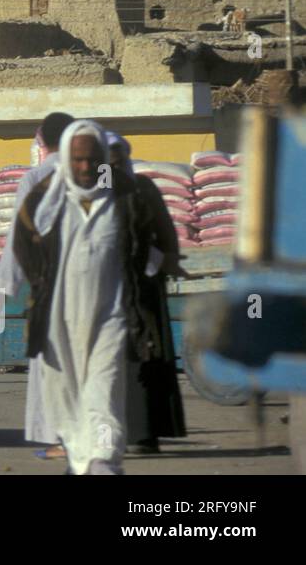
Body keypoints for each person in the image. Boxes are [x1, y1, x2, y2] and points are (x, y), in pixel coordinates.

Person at [11, 120, 163, 475]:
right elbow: (23, 243)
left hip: (111, 312)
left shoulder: (123, 192)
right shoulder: (45, 194)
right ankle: (82, 461)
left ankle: (104, 460)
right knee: (65, 396)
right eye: (77, 159)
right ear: (65, 157)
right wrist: (41, 284)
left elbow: (145, 238)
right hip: (56, 315)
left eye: (92, 159)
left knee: (104, 388)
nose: (85, 167)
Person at [0, 111, 73, 458]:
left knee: (53, 363)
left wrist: (6, 283)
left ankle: (61, 439)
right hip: (89, 284)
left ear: (42, 142)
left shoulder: (37, 178)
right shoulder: (93, 177)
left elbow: (20, 237)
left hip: (49, 285)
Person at [106, 133, 188, 455]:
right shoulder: (102, 191)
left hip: (131, 287)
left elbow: (165, 232)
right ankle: (130, 433)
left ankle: (137, 434)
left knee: (135, 355)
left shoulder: (135, 188)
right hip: (122, 288)